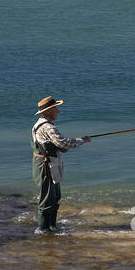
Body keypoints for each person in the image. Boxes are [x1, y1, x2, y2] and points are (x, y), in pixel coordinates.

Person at [31, 95, 91, 234]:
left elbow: (56, 144)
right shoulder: (47, 127)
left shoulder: (41, 124)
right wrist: (82, 140)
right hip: (46, 166)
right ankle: (43, 230)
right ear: (48, 111)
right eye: (56, 108)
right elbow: (62, 143)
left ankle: (52, 227)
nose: (58, 111)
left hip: (49, 164)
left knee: (55, 196)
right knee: (47, 198)